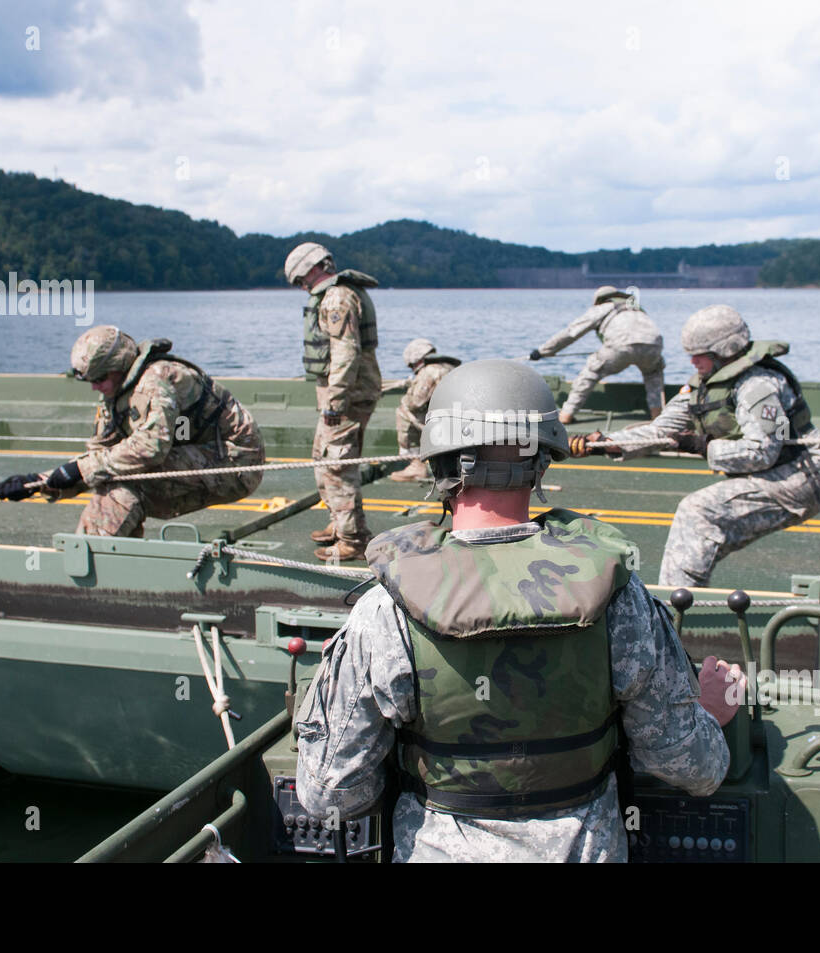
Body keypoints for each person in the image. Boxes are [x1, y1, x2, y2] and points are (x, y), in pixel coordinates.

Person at [294, 359, 742, 862]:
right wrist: (707, 712)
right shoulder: (621, 597)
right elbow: (693, 769)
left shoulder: (385, 612)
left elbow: (330, 794)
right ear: (541, 462)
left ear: (440, 466)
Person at [569, 305, 820, 588]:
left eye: (699, 355)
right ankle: (685, 600)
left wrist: (703, 446)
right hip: (772, 476)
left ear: (724, 350)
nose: (692, 361)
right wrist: (606, 444)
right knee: (703, 538)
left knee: (698, 512)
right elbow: (661, 429)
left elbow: (762, 452)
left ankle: (676, 607)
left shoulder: (757, 386)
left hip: (799, 480)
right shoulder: (707, 384)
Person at [0, 326, 264, 536]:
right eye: (91, 381)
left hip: (234, 462)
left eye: (99, 379)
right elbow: (100, 455)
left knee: (123, 483)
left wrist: (81, 470)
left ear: (118, 367)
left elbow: (150, 449)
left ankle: (100, 564)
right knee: (109, 475)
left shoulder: (155, 381)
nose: (95, 387)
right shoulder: (116, 393)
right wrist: (39, 483)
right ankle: (109, 560)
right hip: (191, 453)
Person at [284, 242, 383, 561]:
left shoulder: (337, 296)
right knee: (323, 458)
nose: (301, 286)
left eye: (301, 278)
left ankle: (352, 538)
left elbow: (345, 353)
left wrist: (335, 401)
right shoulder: (336, 294)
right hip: (344, 394)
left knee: (336, 466)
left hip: (346, 396)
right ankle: (340, 523)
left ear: (315, 268)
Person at [530, 286, 666, 424]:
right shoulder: (636, 309)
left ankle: (566, 415)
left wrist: (543, 351)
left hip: (620, 346)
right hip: (654, 345)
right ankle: (656, 416)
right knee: (653, 375)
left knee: (591, 372)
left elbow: (571, 333)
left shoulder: (604, 307)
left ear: (599, 300)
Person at [389, 338, 461, 483]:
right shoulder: (448, 367)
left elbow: (415, 402)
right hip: (456, 422)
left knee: (403, 411)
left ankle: (416, 465)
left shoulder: (429, 371)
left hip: (443, 425)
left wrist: (408, 396)